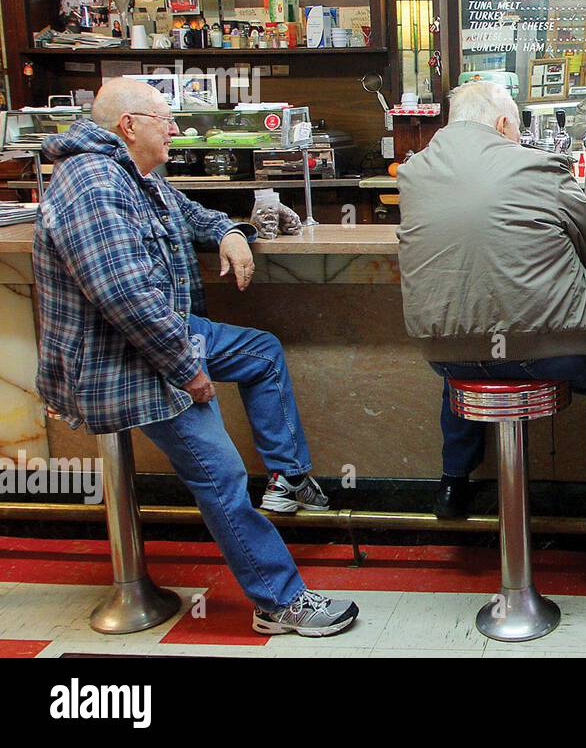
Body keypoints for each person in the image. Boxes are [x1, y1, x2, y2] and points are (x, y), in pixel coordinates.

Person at [32, 79, 358, 637]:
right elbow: (125, 299)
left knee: (260, 352)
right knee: (223, 475)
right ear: (129, 125)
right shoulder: (92, 181)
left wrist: (230, 231)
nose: (176, 130)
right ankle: (278, 602)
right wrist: (190, 371)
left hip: (168, 332)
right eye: (165, 120)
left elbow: (189, 212)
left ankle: (289, 477)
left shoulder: (134, 173)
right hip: (129, 360)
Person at [397, 82, 586, 535]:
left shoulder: (413, 175)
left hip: (440, 347)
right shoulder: (537, 165)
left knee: (467, 359)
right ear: (504, 124)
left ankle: (453, 486)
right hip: (551, 345)